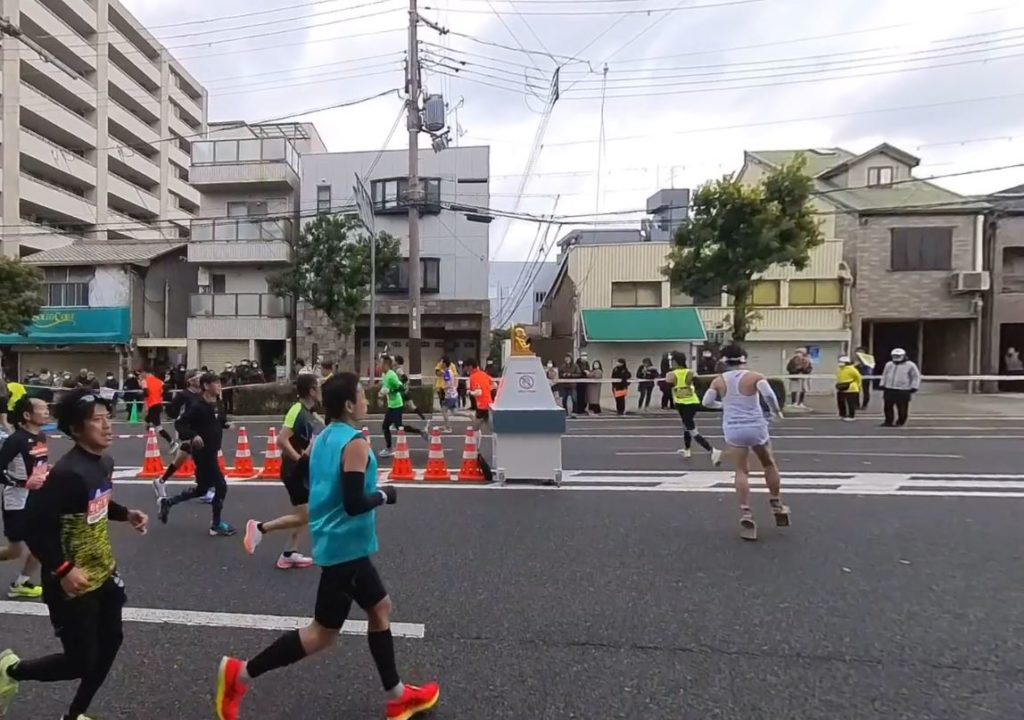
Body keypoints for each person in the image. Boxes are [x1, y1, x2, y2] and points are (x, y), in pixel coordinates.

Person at [214, 373, 440, 720]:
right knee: (321, 634)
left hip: (340, 543)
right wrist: (384, 494)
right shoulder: (355, 443)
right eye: (363, 396)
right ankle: (239, 675)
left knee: (380, 607)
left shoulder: (321, 440)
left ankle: (397, 696)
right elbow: (353, 502)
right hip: (343, 548)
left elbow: (316, 480)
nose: (367, 401)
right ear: (349, 405)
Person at [0, 388, 148, 720]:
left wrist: (126, 514)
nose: (107, 425)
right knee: (80, 661)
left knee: (110, 643)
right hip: (70, 582)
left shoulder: (103, 462)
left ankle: (75, 715)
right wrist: (64, 569)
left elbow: (96, 502)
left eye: (108, 417)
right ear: (77, 429)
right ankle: (11, 670)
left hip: (103, 571)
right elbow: (32, 527)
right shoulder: (66, 474)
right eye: (97, 420)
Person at [701, 344, 789, 541]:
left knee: (741, 470)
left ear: (723, 361)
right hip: (756, 426)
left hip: (733, 428)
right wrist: (776, 411)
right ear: (743, 359)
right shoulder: (755, 376)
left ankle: (746, 512)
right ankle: (776, 502)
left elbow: (706, 402)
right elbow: (768, 395)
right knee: (768, 463)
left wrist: (724, 405)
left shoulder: (718, 380)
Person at [243, 373, 321, 569]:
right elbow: (281, 439)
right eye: (319, 387)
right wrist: (299, 459)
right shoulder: (297, 410)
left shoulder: (308, 411)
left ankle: (290, 553)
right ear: (312, 391)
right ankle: (260, 528)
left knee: (304, 512)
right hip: (293, 470)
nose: (322, 391)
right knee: (305, 515)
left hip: (301, 469)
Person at [157, 373, 235, 536]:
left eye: (220, 383)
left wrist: (226, 424)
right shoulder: (197, 405)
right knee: (221, 486)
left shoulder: (219, 404)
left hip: (213, 450)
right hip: (202, 453)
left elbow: (218, 421)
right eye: (216, 383)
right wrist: (193, 436)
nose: (220, 386)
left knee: (202, 489)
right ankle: (216, 524)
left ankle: (168, 502)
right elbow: (180, 424)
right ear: (206, 386)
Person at [0, 396, 50, 599]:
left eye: (47, 408)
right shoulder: (16, 441)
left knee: (42, 544)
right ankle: (22, 583)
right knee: (15, 551)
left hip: (36, 499)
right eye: (42, 409)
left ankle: (22, 583)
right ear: (27, 415)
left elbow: (38, 466)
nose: (47, 411)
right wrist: (22, 483)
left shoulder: (41, 437)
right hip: (16, 501)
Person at [152, 369, 206, 500]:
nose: (200, 380)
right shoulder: (184, 395)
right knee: (202, 456)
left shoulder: (201, 394)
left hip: (199, 429)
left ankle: (161, 481)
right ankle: (204, 487)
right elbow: (171, 409)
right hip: (187, 429)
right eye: (198, 378)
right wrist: (179, 417)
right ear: (190, 381)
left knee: (181, 457)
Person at [666, 352, 722, 465]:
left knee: (691, 429)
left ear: (676, 362)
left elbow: (668, 381)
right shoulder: (691, 372)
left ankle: (712, 450)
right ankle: (687, 450)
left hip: (682, 403)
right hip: (691, 401)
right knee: (685, 426)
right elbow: (699, 384)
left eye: (672, 361)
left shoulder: (672, 374)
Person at [378, 356, 426, 458]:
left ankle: (389, 448)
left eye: (381, 363)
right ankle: (389, 448)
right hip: (392, 404)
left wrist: (390, 391)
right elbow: (385, 386)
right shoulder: (385, 375)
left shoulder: (391, 375)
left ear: (386, 365)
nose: (379, 365)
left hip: (397, 405)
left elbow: (400, 388)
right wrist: (380, 395)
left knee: (393, 427)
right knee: (392, 427)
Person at [879, 348, 921, 427]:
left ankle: (901, 421)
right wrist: (882, 384)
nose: (896, 357)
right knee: (887, 407)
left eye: (898, 356)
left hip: (903, 389)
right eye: (894, 355)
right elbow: (884, 375)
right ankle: (888, 421)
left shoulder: (910, 365)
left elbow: (915, 376)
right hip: (889, 388)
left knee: (902, 407)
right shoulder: (889, 364)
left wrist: (914, 386)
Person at [140, 368, 174, 450]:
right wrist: (160, 396)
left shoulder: (145, 381)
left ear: (146, 372)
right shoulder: (159, 381)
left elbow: (146, 393)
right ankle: (151, 439)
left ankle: (172, 442)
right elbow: (166, 389)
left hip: (152, 405)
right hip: (158, 404)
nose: (141, 375)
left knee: (158, 427)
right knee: (146, 421)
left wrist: (145, 402)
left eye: (142, 373)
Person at [466, 358, 493, 435]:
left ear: (470, 367)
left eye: (467, 367)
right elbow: (494, 385)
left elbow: (479, 392)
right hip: (489, 404)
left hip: (482, 405)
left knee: (476, 428)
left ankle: (477, 446)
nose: (466, 370)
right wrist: (487, 390)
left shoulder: (474, 377)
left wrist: (470, 392)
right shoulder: (484, 374)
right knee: (487, 427)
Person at [835, 356, 862, 422]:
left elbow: (858, 378)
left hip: (851, 389)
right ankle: (843, 414)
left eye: (842, 362)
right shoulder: (840, 369)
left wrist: (858, 386)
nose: (840, 363)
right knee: (841, 402)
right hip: (841, 388)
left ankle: (851, 416)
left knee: (851, 403)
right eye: (839, 362)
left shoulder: (852, 369)